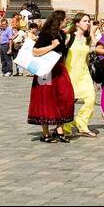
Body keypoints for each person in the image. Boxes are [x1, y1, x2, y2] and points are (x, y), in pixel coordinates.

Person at [27, 9, 75, 142]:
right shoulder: (46, 34)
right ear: (59, 20)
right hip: (46, 71)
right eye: (65, 19)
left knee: (65, 97)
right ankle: (45, 133)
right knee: (45, 99)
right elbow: (35, 51)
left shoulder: (62, 34)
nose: (67, 21)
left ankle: (59, 129)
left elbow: (63, 52)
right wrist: (52, 46)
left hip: (59, 69)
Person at [63, 12, 97, 138]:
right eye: (85, 21)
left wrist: (92, 33)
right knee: (69, 102)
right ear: (77, 23)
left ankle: (81, 123)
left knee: (91, 98)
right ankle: (66, 127)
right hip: (70, 73)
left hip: (84, 74)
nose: (88, 23)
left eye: (88, 21)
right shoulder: (69, 37)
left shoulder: (87, 39)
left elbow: (96, 47)